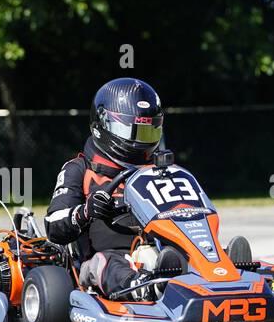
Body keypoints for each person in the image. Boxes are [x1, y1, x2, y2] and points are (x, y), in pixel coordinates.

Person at [45, 78, 180, 299]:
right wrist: (85, 212)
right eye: (132, 132)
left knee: (186, 253)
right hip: (101, 262)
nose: (140, 142)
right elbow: (53, 225)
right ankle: (142, 287)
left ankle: (226, 273)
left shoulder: (160, 170)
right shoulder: (79, 169)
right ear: (103, 126)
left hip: (160, 253)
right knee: (107, 262)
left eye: (147, 132)